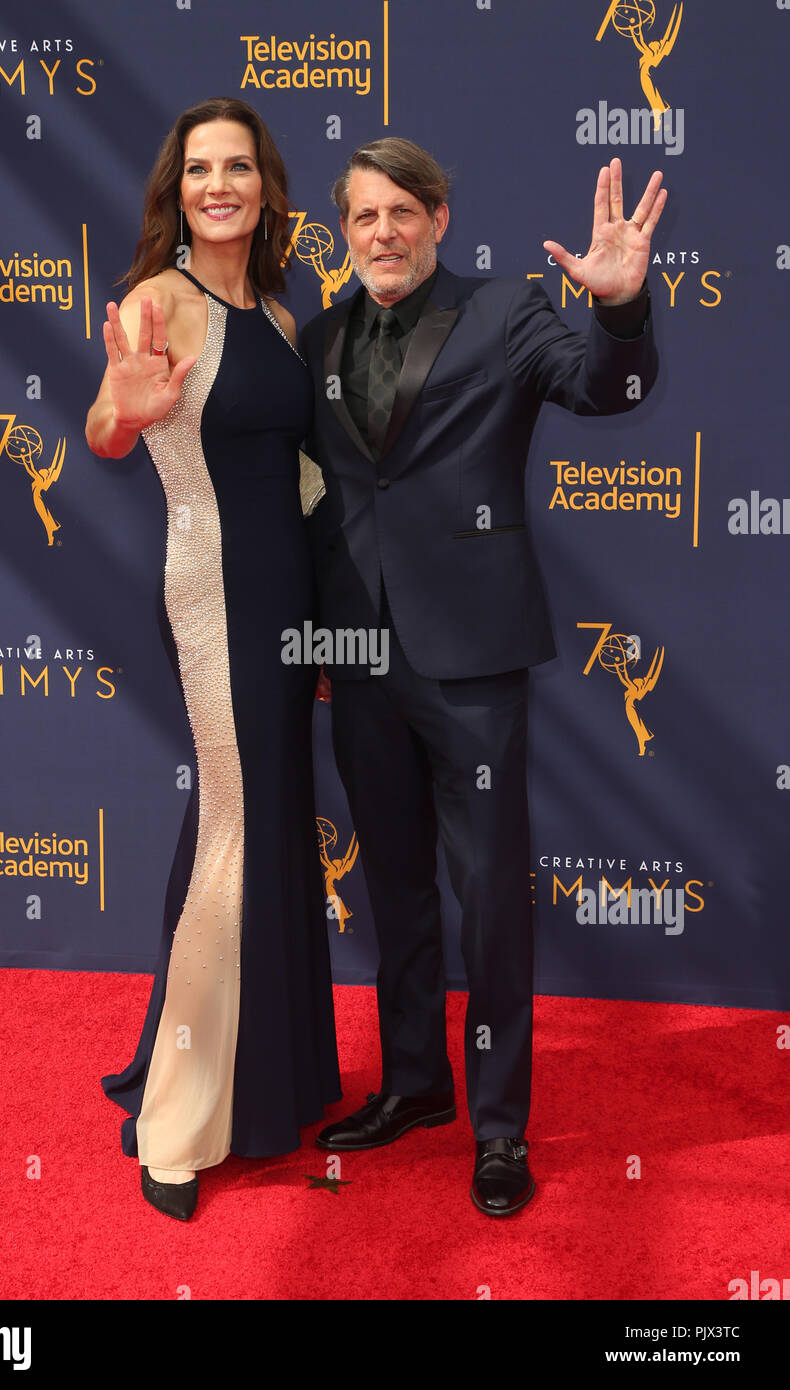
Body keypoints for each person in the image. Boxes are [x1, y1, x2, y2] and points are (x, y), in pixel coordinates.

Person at [298, 140, 665, 1216]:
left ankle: (500, 1128)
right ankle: (415, 1083)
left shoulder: (504, 312)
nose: (383, 233)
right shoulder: (317, 340)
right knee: (394, 888)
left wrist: (620, 308)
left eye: (402, 212)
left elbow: (606, 389)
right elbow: (322, 501)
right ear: (344, 230)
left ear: (440, 218)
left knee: (493, 897)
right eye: (364, 216)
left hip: (474, 660)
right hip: (359, 657)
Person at [85, 97, 340, 1221]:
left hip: (287, 605)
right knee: (236, 829)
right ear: (176, 191)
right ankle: (178, 1127)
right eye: (200, 169)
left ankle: (271, 1080)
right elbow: (104, 427)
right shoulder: (160, 301)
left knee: (266, 822)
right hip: (213, 599)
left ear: (265, 187)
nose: (220, 185)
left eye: (238, 166)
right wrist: (124, 412)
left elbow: (302, 479)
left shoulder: (281, 315)